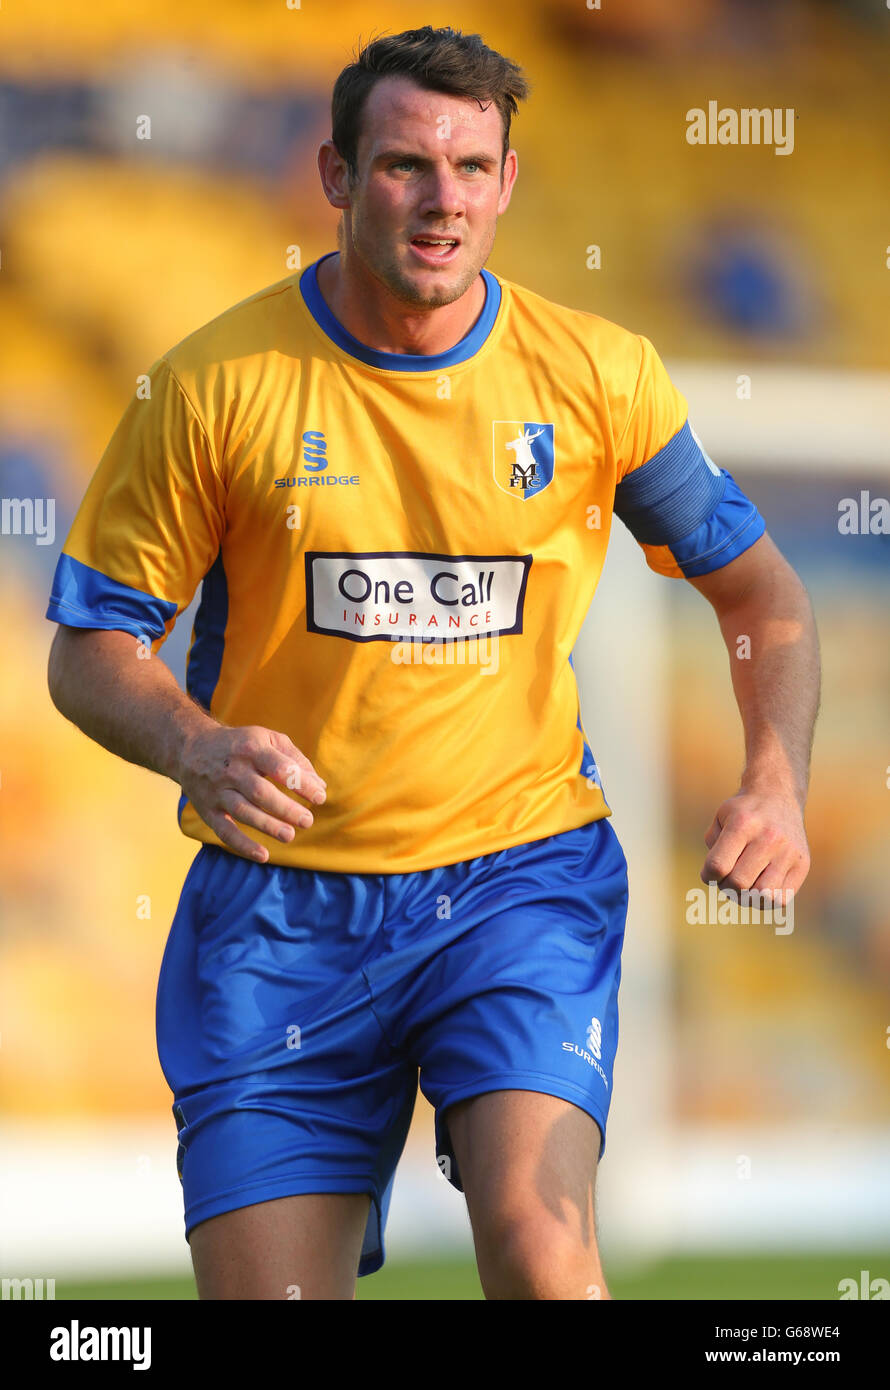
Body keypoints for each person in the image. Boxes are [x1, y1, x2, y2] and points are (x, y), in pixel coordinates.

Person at [45, 25, 819, 1300]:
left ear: (508, 180)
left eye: (471, 165)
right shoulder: (211, 389)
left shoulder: (598, 376)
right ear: (338, 178)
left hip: (517, 881)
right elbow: (89, 652)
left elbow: (761, 591)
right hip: (278, 912)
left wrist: (774, 779)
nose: (443, 197)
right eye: (405, 163)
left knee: (542, 1249)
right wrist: (196, 742)